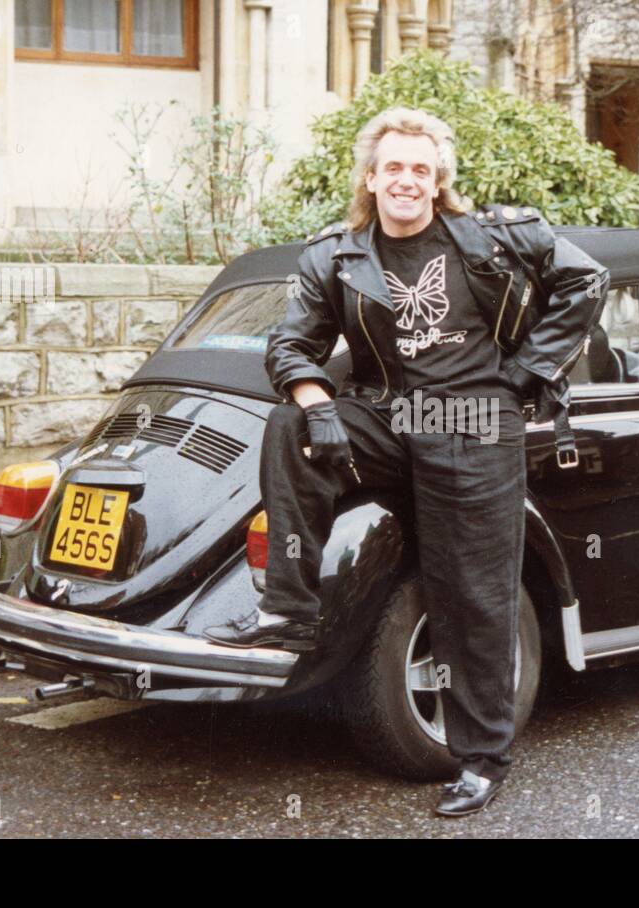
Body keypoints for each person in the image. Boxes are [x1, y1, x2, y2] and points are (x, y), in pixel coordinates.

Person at [201, 107, 608, 816]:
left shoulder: (494, 239)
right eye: (395, 167)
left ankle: (482, 758)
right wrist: (316, 400)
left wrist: (521, 378)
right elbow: (290, 345)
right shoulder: (336, 255)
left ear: (438, 180)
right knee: (290, 426)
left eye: (422, 169)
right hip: (391, 417)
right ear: (371, 175)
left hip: (475, 426)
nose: (407, 181)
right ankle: (291, 610)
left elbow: (586, 282)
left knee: (473, 594)